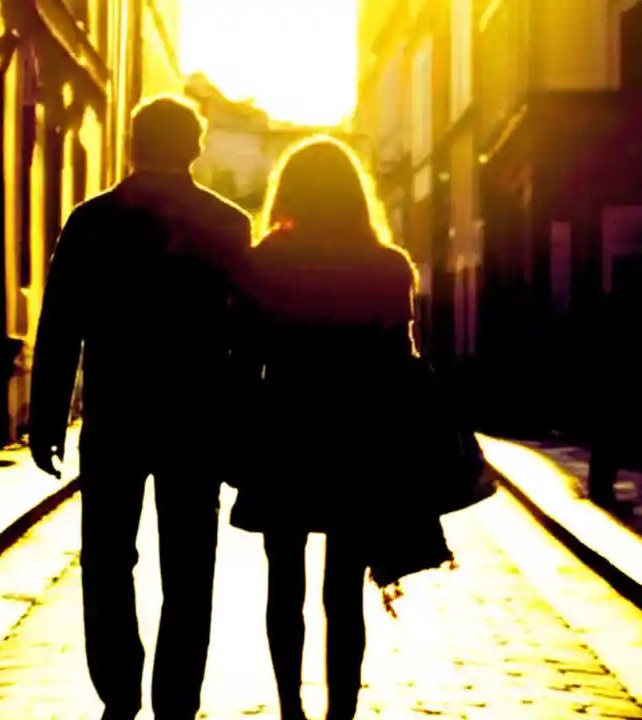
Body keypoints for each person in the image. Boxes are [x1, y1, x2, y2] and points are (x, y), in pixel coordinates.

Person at [26, 94, 253, 720]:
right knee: (188, 569)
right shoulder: (228, 224)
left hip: (115, 417)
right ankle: (175, 700)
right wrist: (242, 420)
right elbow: (250, 335)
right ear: (195, 148)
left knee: (105, 559)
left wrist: (46, 420)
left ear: (131, 144)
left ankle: (119, 689)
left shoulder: (91, 220)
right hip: (195, 423)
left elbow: (60, 326)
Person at [228, 136, 420, 720]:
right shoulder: (387, 266)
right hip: (359, 438)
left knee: (283, 582)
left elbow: (242, 359)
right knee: (344, 593)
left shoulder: (264, 261)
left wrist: (232, 437)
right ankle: (341, 715)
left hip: (282, 430)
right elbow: (401, 365)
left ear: (290, 191)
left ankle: (291, 709)